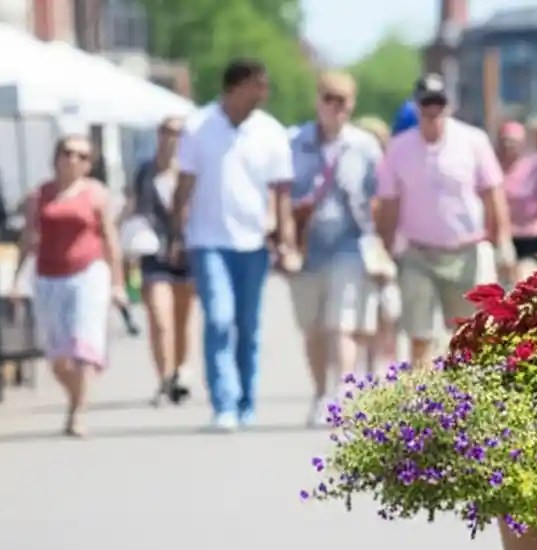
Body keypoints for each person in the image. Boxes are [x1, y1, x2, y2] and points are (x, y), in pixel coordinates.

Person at [170, 58, 296, 432]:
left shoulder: (270, 131)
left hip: (253, 242)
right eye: (259, 85)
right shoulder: (199, 127)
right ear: (237, 87)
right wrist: (176, 233)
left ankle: (246, 402)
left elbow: (281, 192)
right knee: (220, 319)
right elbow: (184, 185)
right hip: (208, 240)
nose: (265, 93)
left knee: (248, 325)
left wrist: (284, 238)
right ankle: (223, 403)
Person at [375, 73, 512, 368]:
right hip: (418, 253)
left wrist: (502, 243)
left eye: (438, 102)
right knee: (419, 334)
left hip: (466, 252)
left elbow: (493, 194)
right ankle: (422, 403)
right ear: (418, 106)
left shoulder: (473, 140)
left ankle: (467, 400)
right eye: (427, 103)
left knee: (468, 333)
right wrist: (385, 250)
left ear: (448, 105)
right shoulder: (399, 149)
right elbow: (389, 204)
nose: (433, 109)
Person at [289, 71, 385, 426]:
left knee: (342, 323)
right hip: (306, 245)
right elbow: (279, 191)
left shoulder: (364, 146)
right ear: (318, 100)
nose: (335, 107)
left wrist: (381, 240)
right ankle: (319, 392)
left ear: (352, 104)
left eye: (342, 100)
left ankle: (342, 392)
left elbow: (381, 195)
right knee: (312, 326)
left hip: (350, 243)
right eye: (328, 98)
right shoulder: (295, 142)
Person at [22, 135, 126, 437]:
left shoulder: (95, 194)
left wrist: (118, 283)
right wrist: (17, 277)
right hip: (48, 274)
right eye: (67, 153)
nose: (73, 160)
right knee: (57, 356)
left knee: (83, 342)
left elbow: (110, 239)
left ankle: (79, 412)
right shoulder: (40, 194)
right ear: (56, 157)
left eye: (81, 156)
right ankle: (75, 395)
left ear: (89, 164)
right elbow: (28, 237)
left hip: (88, 272)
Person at [130, 116, 195, 407]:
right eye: (167, 132)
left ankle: (181, 371)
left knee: (182, 319)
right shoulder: (145, 172)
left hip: (187, 253)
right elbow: (135, 207)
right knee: (159, 316)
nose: (173, 138)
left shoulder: (191, 171)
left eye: (179, 133)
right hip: (153, 253)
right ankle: (164, 378)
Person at [355, 115, 403, 374]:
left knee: (389, 310)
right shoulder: (355, 173)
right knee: (364, 313)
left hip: (391, 251)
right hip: (361, 250)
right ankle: (371, 367)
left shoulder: (394, 169)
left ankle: (385, 358)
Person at [497, 120, 537, 281]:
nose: (508, 146)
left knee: (528, 280)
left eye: (513, 142)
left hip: (534, 236)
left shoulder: (535, 168)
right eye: (505, 141)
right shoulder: (495, 169)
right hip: (507, 238)